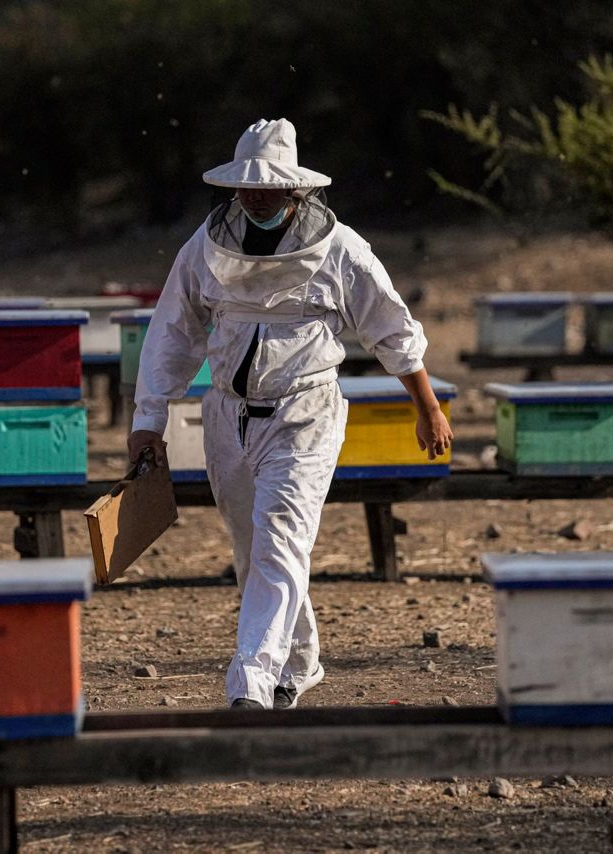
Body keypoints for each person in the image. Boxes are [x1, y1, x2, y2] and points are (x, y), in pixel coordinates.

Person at [128, 118, 452, 710]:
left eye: (270, 186)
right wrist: (147, 421)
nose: (256, 196)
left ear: (297, 190)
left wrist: (427, 406)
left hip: (306, 413)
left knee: (281, 542)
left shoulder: (343, 250)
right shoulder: (204, 247)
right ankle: (299, 662)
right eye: (247, 186)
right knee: (255, 551)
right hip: (226, 416)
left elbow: (392, 327)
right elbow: (171, 334)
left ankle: (249, 687)